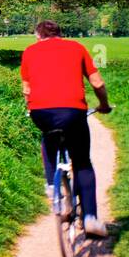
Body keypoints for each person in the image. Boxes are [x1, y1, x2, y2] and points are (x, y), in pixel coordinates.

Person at [20, 20, 112, 238]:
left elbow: (27, 89)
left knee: (48, 139)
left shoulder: (30, 51)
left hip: (40, 112)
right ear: (60, 34)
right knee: (82, 162)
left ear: (37, 36)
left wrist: (31, 108)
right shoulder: (77, 47)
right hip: (73, 112)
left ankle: (53, 190)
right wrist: (104, 105)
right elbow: (97, 83)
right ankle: (90, 218)